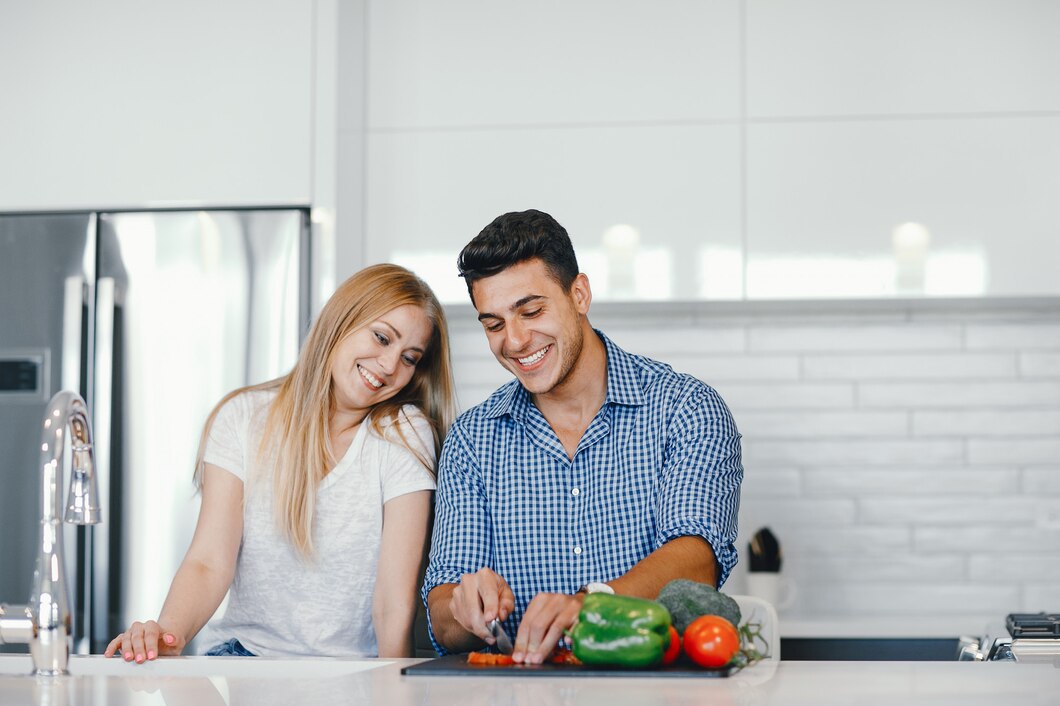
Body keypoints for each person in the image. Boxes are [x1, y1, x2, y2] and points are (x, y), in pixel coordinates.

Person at [422, 209, 743, 664]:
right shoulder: (474, 440)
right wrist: (464, 608)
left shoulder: (685, 410)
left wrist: (590, 601)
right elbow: (441, 613)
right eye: (493, 324)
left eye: (530, 311)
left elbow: (696, 559)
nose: (513, 341)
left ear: (579, 294)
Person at [105, 263, 457, 661]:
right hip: (245, 659)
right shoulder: (242, 418)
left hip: (350, 674)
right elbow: (208, 562)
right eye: (381, 338)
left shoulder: (403, 433)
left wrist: (394, 692)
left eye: (409, 358)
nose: (390, 366)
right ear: (340, 322)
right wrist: (166, 637)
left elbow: (393, 601)